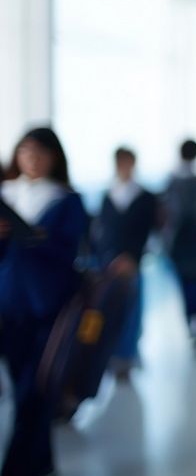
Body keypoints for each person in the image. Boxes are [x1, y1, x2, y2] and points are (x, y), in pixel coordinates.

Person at [0, 127, 88, 476]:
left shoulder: (66, 199)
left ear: (54, 157)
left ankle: (18, 467)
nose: (32, 159)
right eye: (26, 151)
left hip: (48, 304)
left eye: (40, 152)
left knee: (35, 386)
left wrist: (36, 237)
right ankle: (41, 462)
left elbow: (70, 251)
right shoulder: (8, 194)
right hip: (8, 303)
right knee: (19, 382)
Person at [91, 147, 157, 378]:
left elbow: (146, 232)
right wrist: (107, 257)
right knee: (107, 310)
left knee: (132, 312)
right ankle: (108, 355)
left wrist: (131, 257)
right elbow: (102, 231)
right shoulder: (108, 194)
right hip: (109, 262)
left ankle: (126, 357)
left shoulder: (145, 196)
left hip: (132, 262)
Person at [162, 140, 196, 356]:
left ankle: (193, 324)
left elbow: (167, 215)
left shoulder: (172, 183)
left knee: (187, 284)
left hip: (182, 244)